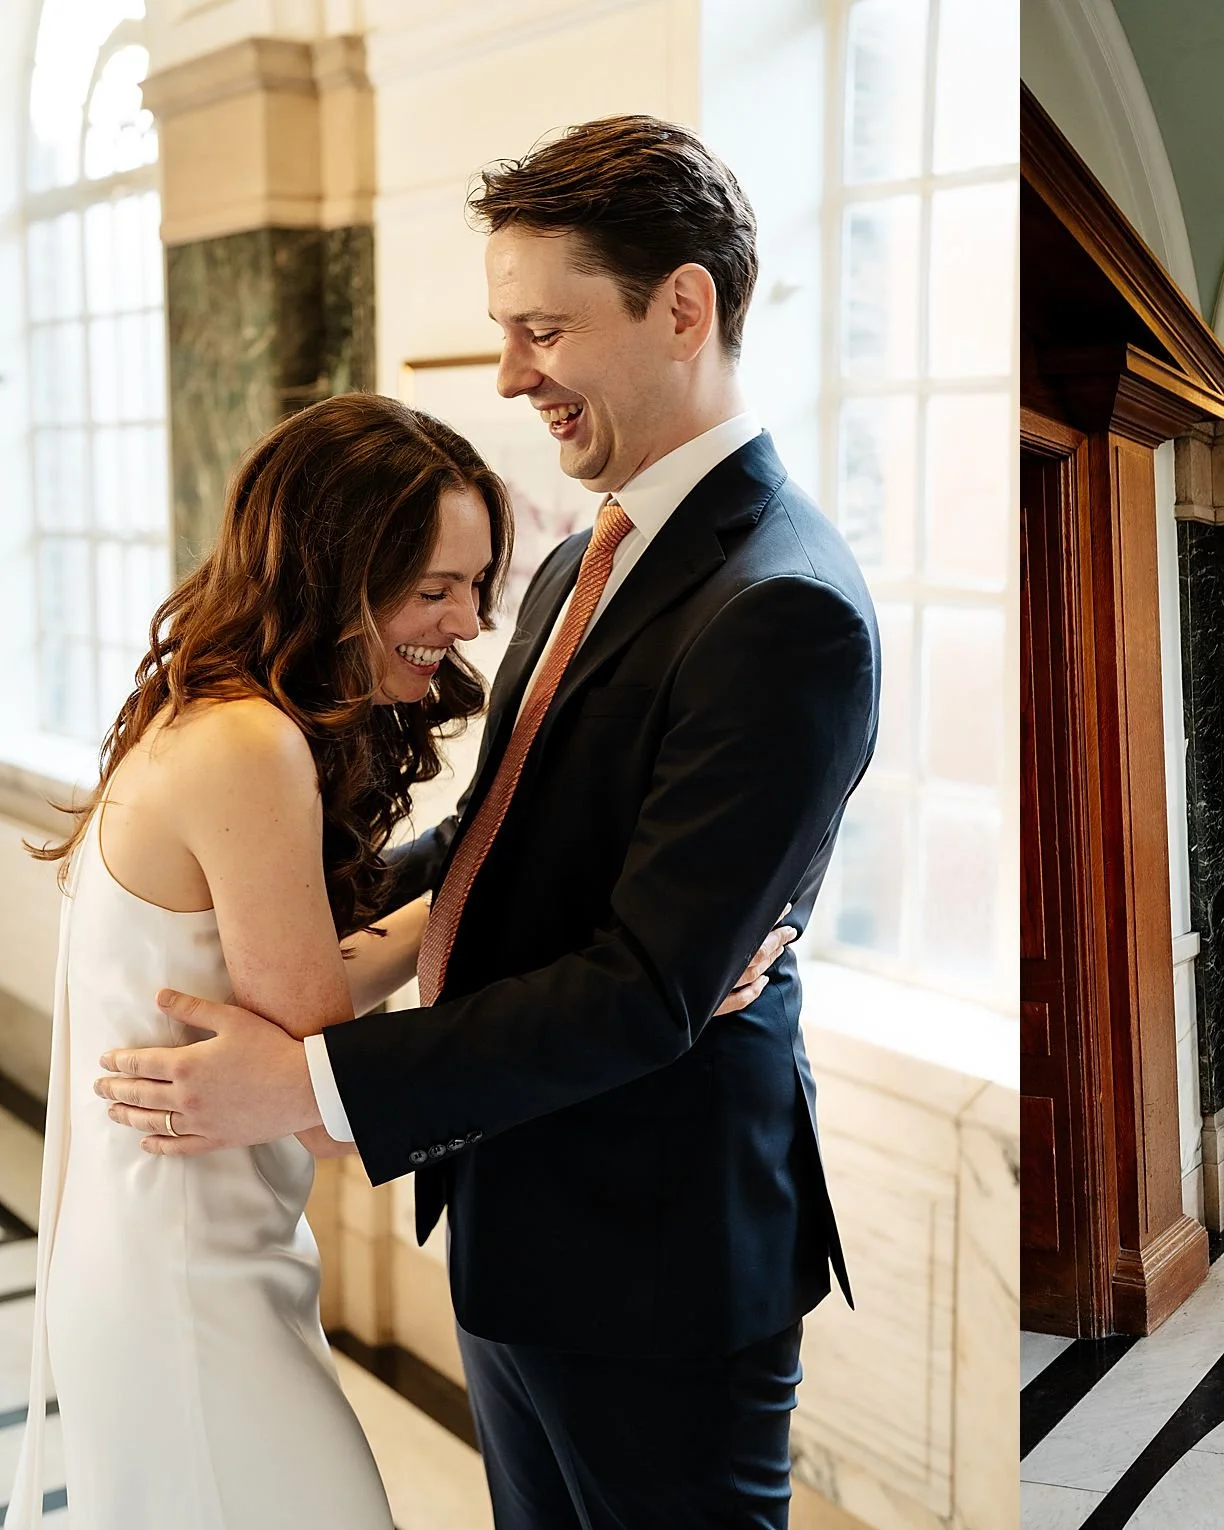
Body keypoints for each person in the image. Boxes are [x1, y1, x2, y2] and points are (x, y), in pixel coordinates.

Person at [94, 116, 880, 1530]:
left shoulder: (785, 608)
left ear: (682, 306)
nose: (514, 376)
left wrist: (314, 1081)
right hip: (517, 1210)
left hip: (659, 1255)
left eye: (542, 330)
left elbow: (649, 986)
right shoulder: (588, 552)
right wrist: (288, 905)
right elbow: (500, 837)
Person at [6, 394, 789, 1530]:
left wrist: (595, 920)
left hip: (188, 1247)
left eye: (478, 584)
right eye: (433, 589)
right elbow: (326, 1099)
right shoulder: (250, 747)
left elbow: (309, 990)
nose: (467, 622)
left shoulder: (220, 709)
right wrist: (610, 948)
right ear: (331, 572)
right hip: (183, 1276)